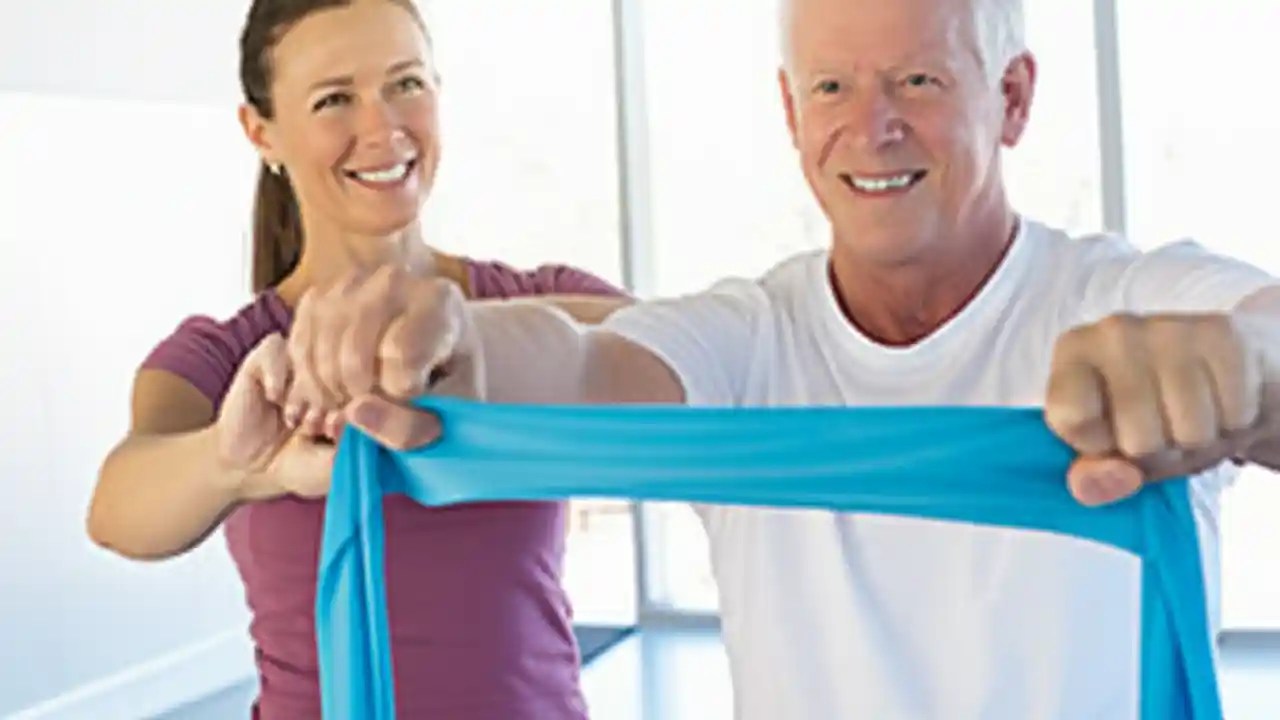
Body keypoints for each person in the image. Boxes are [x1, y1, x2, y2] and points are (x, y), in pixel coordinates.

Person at [251, 0, 1280, 718]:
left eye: (916, 79)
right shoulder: (743, 339)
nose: (869, 127)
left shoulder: (1125, 299)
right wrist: (449, 342)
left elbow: (1263, 335)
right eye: (830, 85)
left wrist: (1237, 365)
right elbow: (579, 367)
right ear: (791, 115)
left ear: (1011, 97)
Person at [85, 1, 628, 717]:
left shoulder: (543, 300)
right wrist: (237, 464)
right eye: (335, 99)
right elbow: (119, 508)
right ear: (262, 132)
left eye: (405, 84)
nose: (383, 127)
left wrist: (466, 333)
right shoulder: (226, 356)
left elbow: (688, 354)